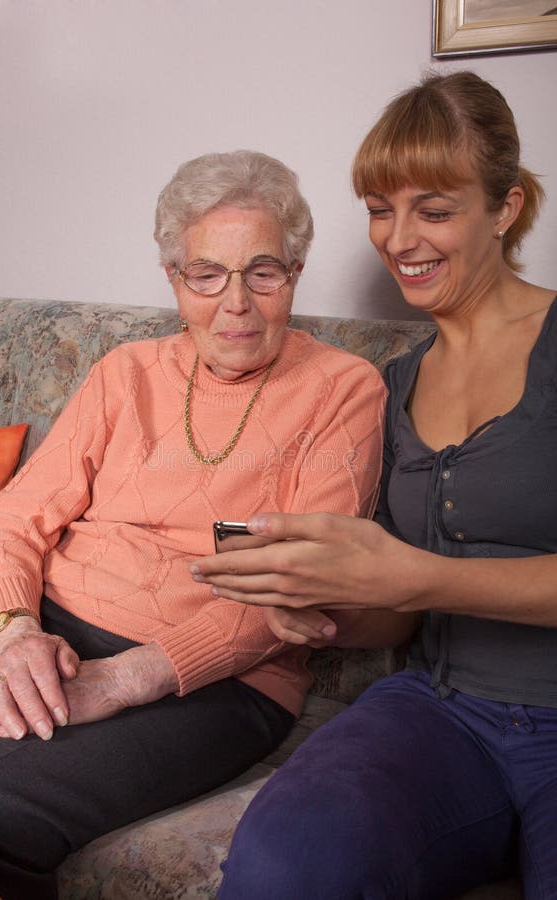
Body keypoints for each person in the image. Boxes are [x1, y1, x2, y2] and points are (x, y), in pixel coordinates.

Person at [0, 150, 387, 899]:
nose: (237, 303)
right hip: (51, 630)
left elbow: (292, 589)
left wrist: (127, 678)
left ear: (294, 271)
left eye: (264, 271)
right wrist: (15, 632)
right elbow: (15, 517)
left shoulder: (342, 390)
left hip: (216, 682)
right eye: (207, 274)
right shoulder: (127, 373)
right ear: (174, 281)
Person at [193, 74, 557, 899]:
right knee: (284, 862)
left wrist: (418, 574)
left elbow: (420, 578)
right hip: (440, 711)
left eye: (433, 209)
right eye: (379, 209)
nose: (398, 239)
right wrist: (321, 606)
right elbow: (398, 611)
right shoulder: (394, 382)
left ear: (504, 207)